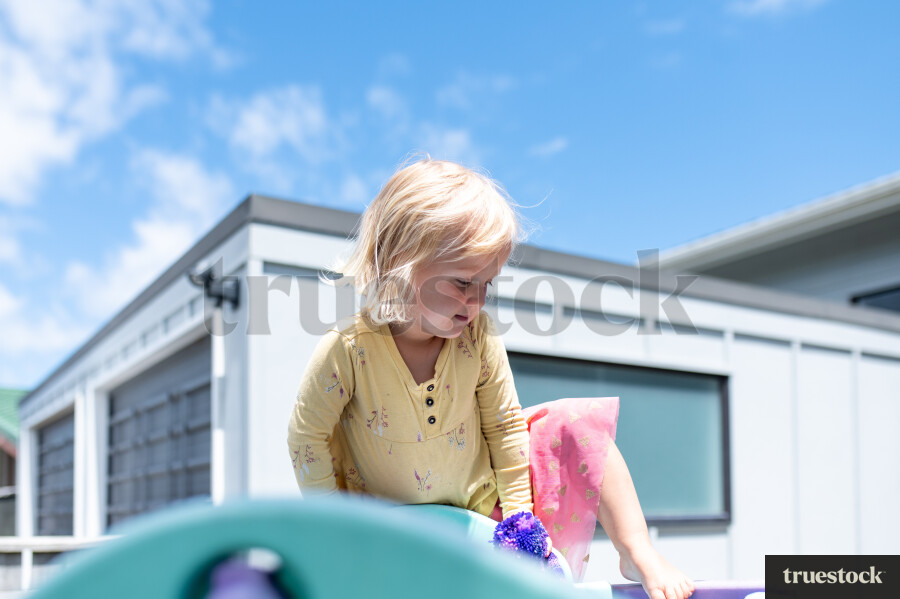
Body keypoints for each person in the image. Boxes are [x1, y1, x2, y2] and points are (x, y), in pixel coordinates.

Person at [287, 158, 694, 599]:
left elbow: (503, 426)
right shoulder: (349, 349)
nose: (476, 301)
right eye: (463, 282)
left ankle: (636, 551)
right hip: (388, 522)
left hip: (486, 509)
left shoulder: (477, 338)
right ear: (401, 264)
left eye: (487, 284)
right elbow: (306, 437)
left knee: (577, 424)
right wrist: (335, 528)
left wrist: (519, 523)